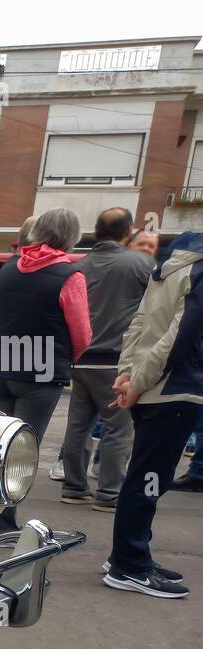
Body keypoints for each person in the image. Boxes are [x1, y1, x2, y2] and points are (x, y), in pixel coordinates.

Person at [102, 231, 203, 599]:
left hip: (154, 388)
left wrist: (128, 375)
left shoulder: (167, 268)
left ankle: (130, 554)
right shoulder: (197, 271)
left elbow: (138, 325)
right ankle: (129, 564)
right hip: (175, 389)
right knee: (149, 480)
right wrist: (137, 381)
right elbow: (180, 335)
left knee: (144, 477)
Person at [0, 207, 90, 533]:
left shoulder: (11, 269)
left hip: (0, 365)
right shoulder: (70, 275)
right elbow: (82, 333)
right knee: (22, 450)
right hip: (40, 374)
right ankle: (4, 525)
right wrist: (64, 358)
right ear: (72, 237)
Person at [59, 207, 151, 512]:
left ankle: (74, 486)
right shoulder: (140, 264)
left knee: (78, 425)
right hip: (115, 361)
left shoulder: (79, 266)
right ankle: (109, 494)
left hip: (81, 359)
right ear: (128, 233)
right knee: (118, 428)